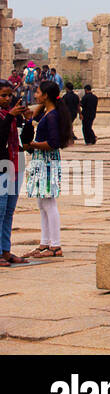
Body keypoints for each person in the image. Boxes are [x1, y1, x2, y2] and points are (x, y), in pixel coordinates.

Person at [21, 80, 73, 259]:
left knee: (49, 203)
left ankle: (55, 245)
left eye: (37, 92)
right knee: (42, 203)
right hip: (41, 160)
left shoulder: (52, 116)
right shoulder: (47, 112)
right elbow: (32, 119)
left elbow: (53, 143)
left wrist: (32, 144)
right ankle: (45, 242)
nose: (35, 95)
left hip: (46, 160)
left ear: (46, 95)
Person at [0, 82, 28, 267]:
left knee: (9, 211)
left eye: (10, 95)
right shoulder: (6, 116)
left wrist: (28, 121)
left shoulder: (11, 115)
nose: (8, 99)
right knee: (0, 211)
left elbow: (23, 140)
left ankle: (6, 250)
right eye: (4, 95)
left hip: (15, 164)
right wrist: (10, 117)